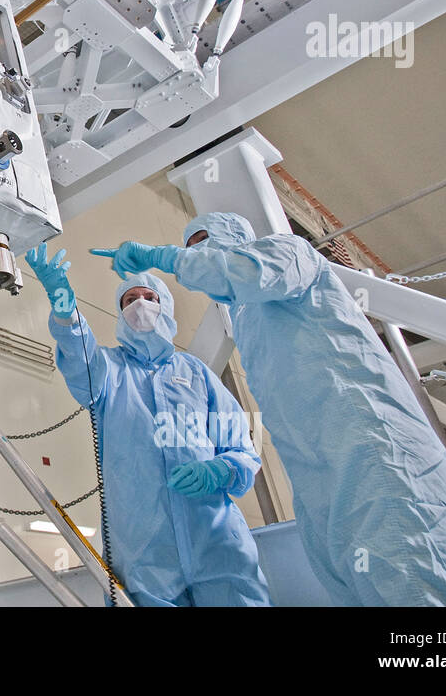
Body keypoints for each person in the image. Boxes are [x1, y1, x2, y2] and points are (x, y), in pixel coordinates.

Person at [91, 212, 446, 606]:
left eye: (204, 243)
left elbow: (240, 271)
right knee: (353, 577)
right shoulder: (246, 318)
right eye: (191, 247)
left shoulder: (287, 255)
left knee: (413, 560)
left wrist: (161, 257)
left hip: (373, 445)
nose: (198, 254)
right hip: (312, 469)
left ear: (236, 238)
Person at [24, 242, 271, 607]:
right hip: (142, 544)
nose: (139, 304)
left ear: (165, 306)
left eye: (148, 296)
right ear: (120, 314)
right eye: (129, 300)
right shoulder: (109, 371)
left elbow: (241, 446)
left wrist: (219, 469)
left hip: (215, 535)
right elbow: (80, 357)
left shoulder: (197, 374)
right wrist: (64, 303)